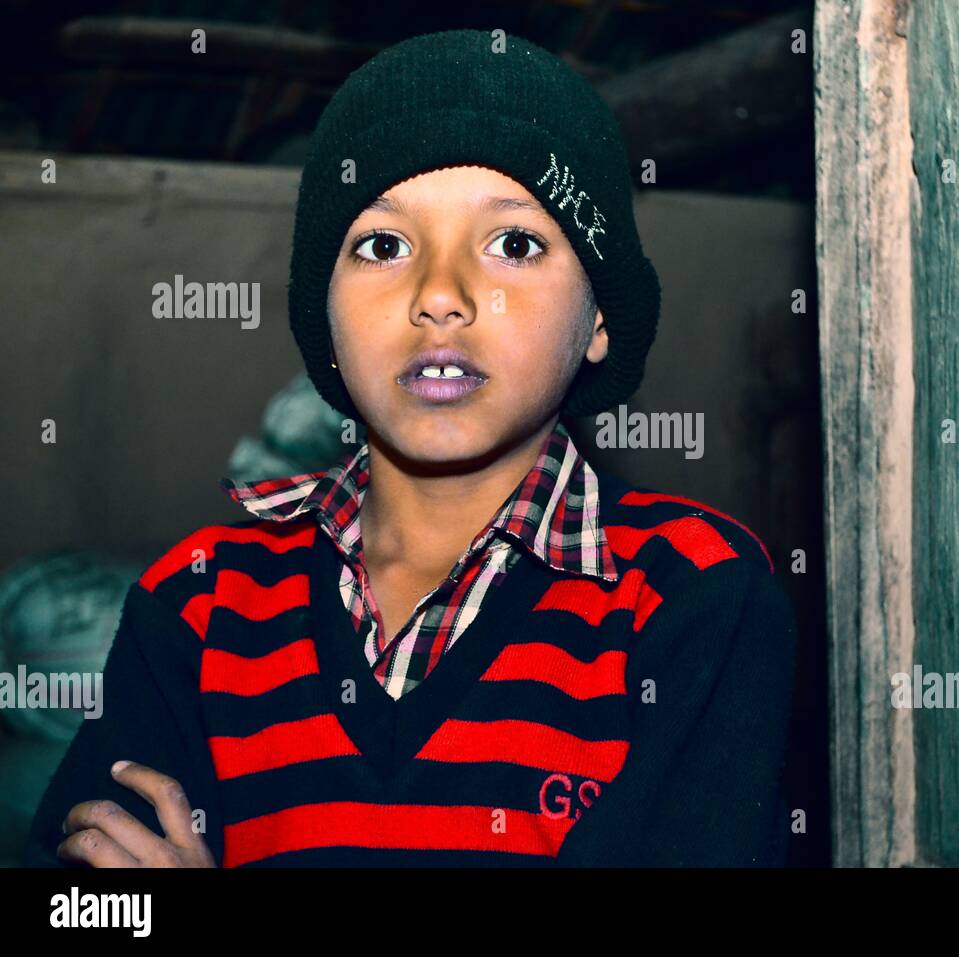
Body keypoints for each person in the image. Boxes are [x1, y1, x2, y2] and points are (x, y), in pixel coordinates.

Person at [25, 28, 798, 868]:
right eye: (383, 246)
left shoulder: (692, 597)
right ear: (323, 310)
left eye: (515, 243)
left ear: (602, 317)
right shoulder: (203, 604)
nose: (439, 296)